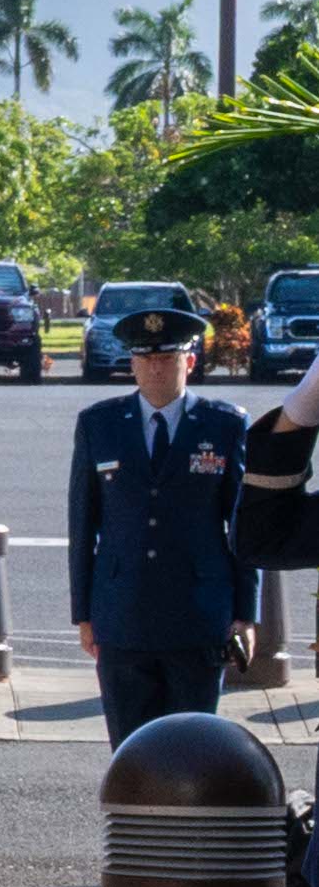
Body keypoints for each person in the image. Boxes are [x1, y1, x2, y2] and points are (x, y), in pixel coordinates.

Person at [68, 302, 253, 742]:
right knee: (131, 752)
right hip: (122, 614)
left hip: (198, 615)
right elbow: (82, 523)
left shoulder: (224, 425)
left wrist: (246, 615)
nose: (156, 369)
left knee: (193, 753)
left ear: (188, 361)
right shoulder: (100, 424)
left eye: (167, 358)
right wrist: (84, 613)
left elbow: (244, 528)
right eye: (145, 358)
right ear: (131, 363)